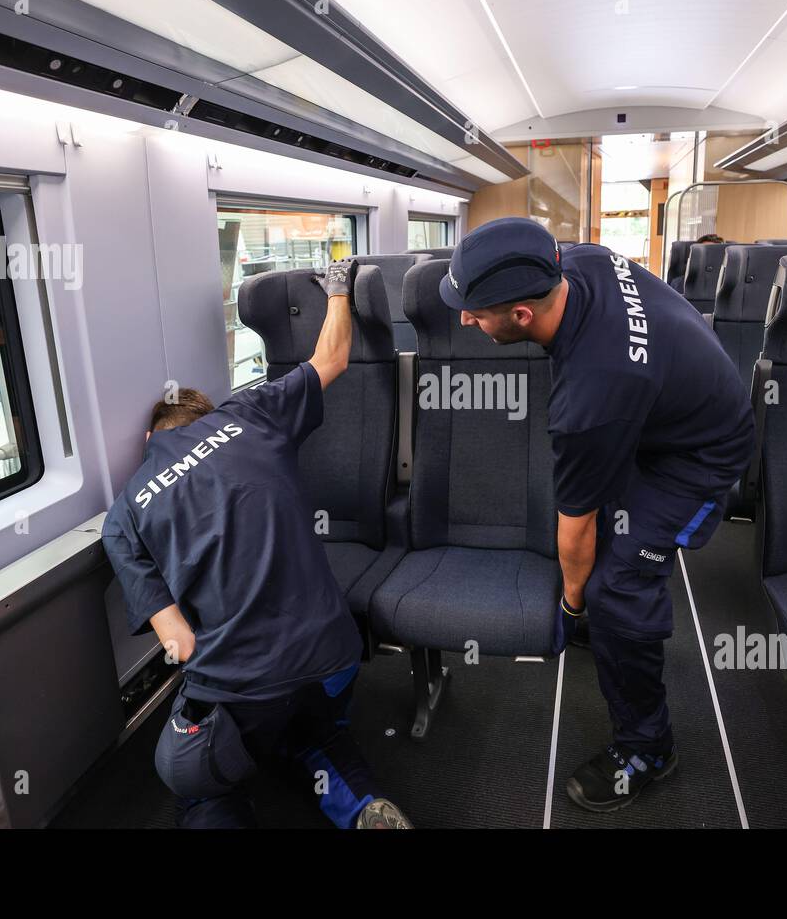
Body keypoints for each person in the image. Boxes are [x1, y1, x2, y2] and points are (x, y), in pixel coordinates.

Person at [439, 218, 754, 812]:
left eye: (476, 313)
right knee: (605, 543)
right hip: (654, 415)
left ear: (523, 315)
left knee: (618, 585)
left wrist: (572, 604)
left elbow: (576, 524)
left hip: (702, 455)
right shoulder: (577, 259)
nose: (464, 321)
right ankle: (611, 638)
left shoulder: (591, 398)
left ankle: (648, 748)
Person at [102, 260, 411, 829]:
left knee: (192, 778)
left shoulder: (122, 515)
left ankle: (230, 790)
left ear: (149, 440)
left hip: (244, 685)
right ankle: (361, 805)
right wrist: (339, 289)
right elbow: (332, 360)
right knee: (317, 736)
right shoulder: (248, 412)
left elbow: (180, 643)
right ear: (206, 417)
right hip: (334, 654)